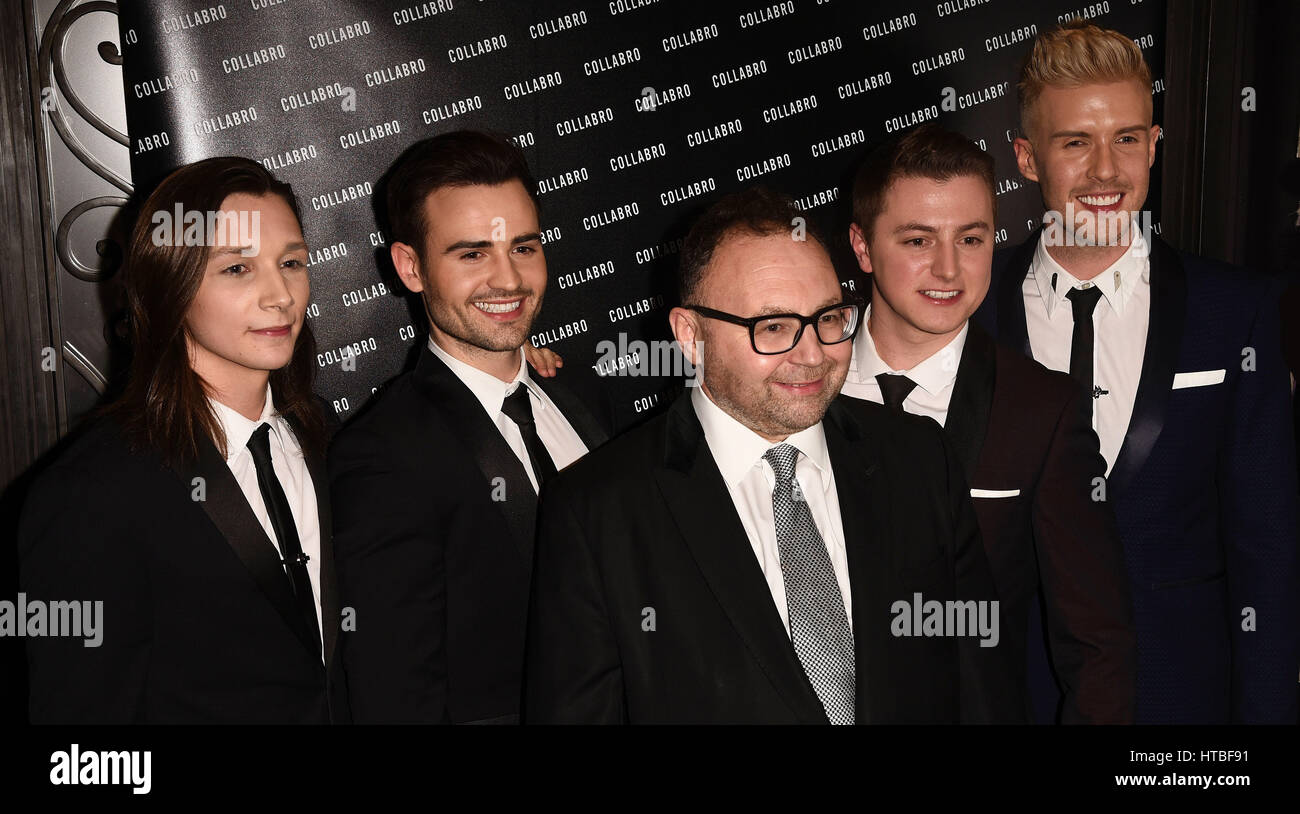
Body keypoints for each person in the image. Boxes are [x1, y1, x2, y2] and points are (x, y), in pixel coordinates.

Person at [524, 186, 1018, 723]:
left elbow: (982, 687)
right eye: (774, 327)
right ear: (690, 336)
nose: (813, 355)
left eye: (829, 318)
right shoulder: (598, 511)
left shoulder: (919, 458)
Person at [978, 20, 1298, 723]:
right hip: (1015, 701)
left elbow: (1268, 557)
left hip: (1183, 705)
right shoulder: (967, 312)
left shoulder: (1235, 311)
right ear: (1028, 158)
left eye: (1126, 138)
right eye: (1075, 143)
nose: (1104, 171)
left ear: (1154, 144)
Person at [19, 157, 347, 723]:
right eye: (237, 270)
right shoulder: (92, 492)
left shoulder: (319, 435)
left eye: (291, 262)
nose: (280, 296)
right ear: (169, 284)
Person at [840, 124, 1136, 723]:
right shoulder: (798, 378)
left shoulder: (1042, 411)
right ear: (863, 246)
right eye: (918, 240)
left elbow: (1099, 647)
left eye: (971, 239)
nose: (948, 269)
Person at [329, 131, 608, 723]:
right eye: (473, 254)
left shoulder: (579, 394)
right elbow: (395, 697)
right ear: (411, 267)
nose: (508, 281)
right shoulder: (381, 456)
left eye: (524, 248)